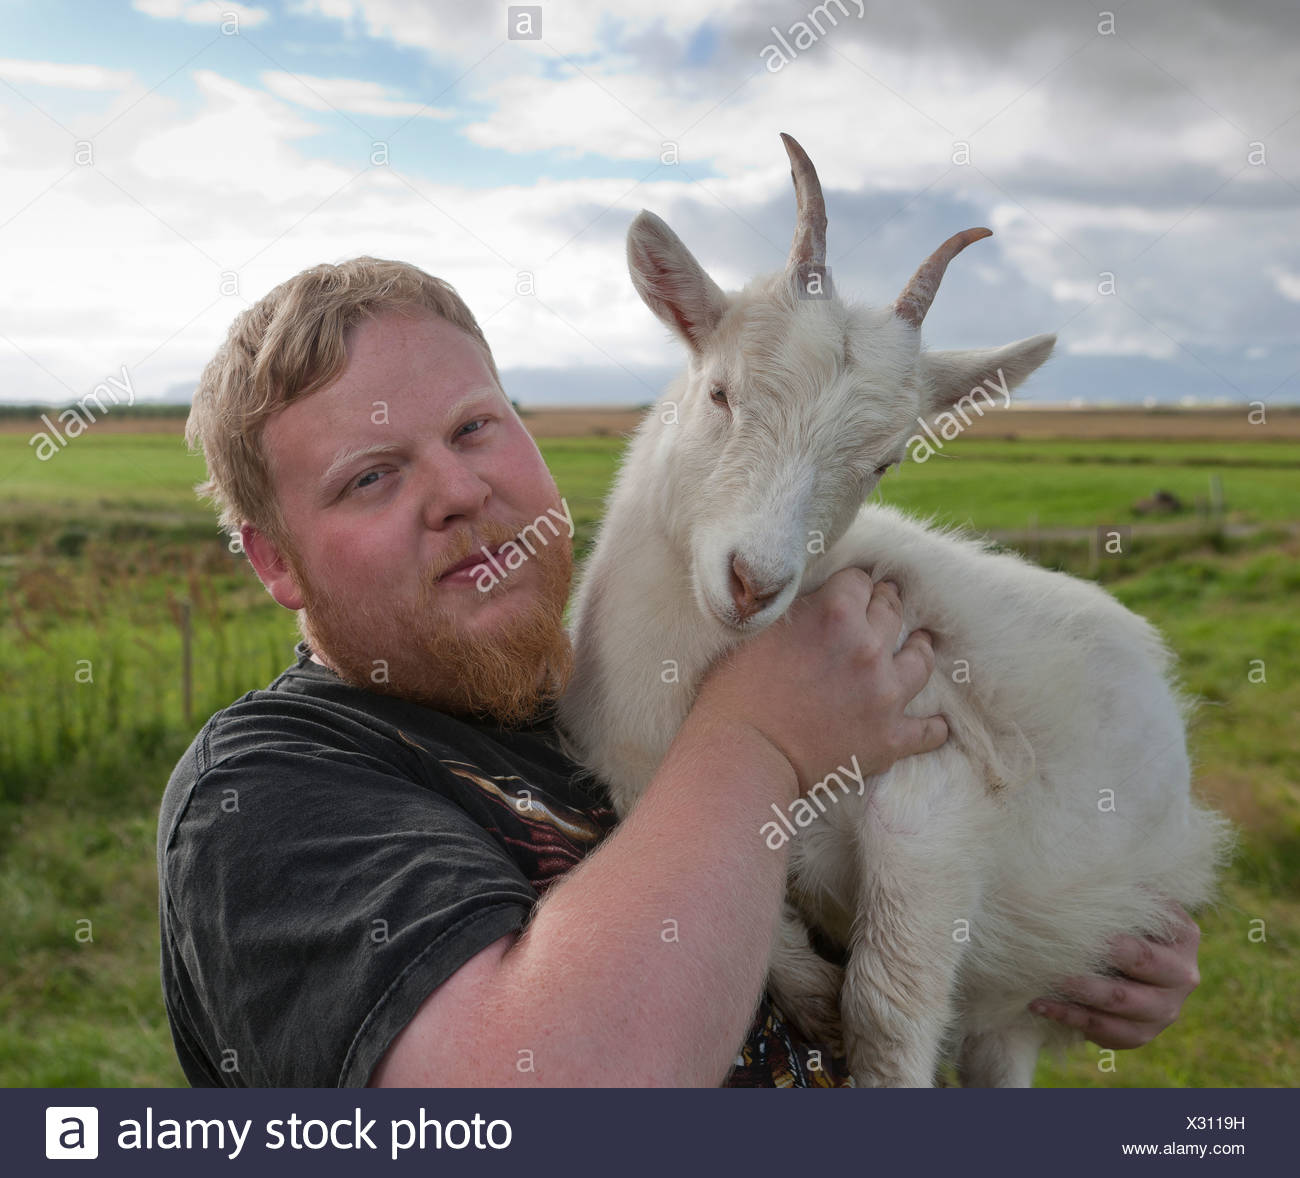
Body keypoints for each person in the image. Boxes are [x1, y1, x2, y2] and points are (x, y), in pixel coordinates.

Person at [159, 256, 1202, 1088]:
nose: (459, 490)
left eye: (476, 425)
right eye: (371, 476)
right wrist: (756, 741)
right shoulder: (270, 791)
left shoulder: (645, 679)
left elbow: (892, 902)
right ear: (275, 559)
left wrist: (1066, 944)